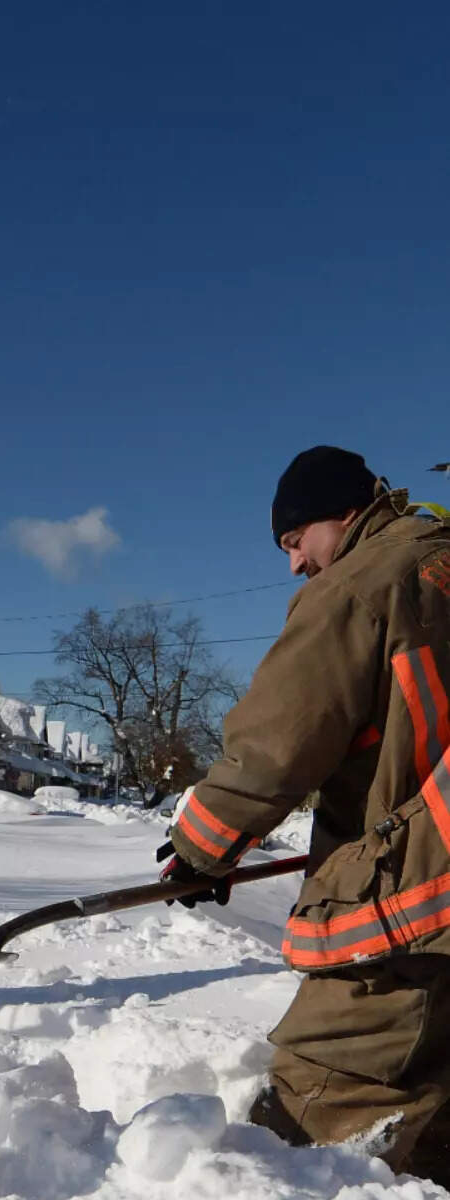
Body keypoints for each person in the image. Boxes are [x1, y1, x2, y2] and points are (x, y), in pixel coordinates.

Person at [158, 445, 450, 1183]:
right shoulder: (440, 565)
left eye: (295, 541)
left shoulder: (361, 584)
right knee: (434, 1108)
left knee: (314, 1122)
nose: (293, 565)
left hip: (419, 909)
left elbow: (279, 740)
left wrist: (202, 847)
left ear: (343, 513)